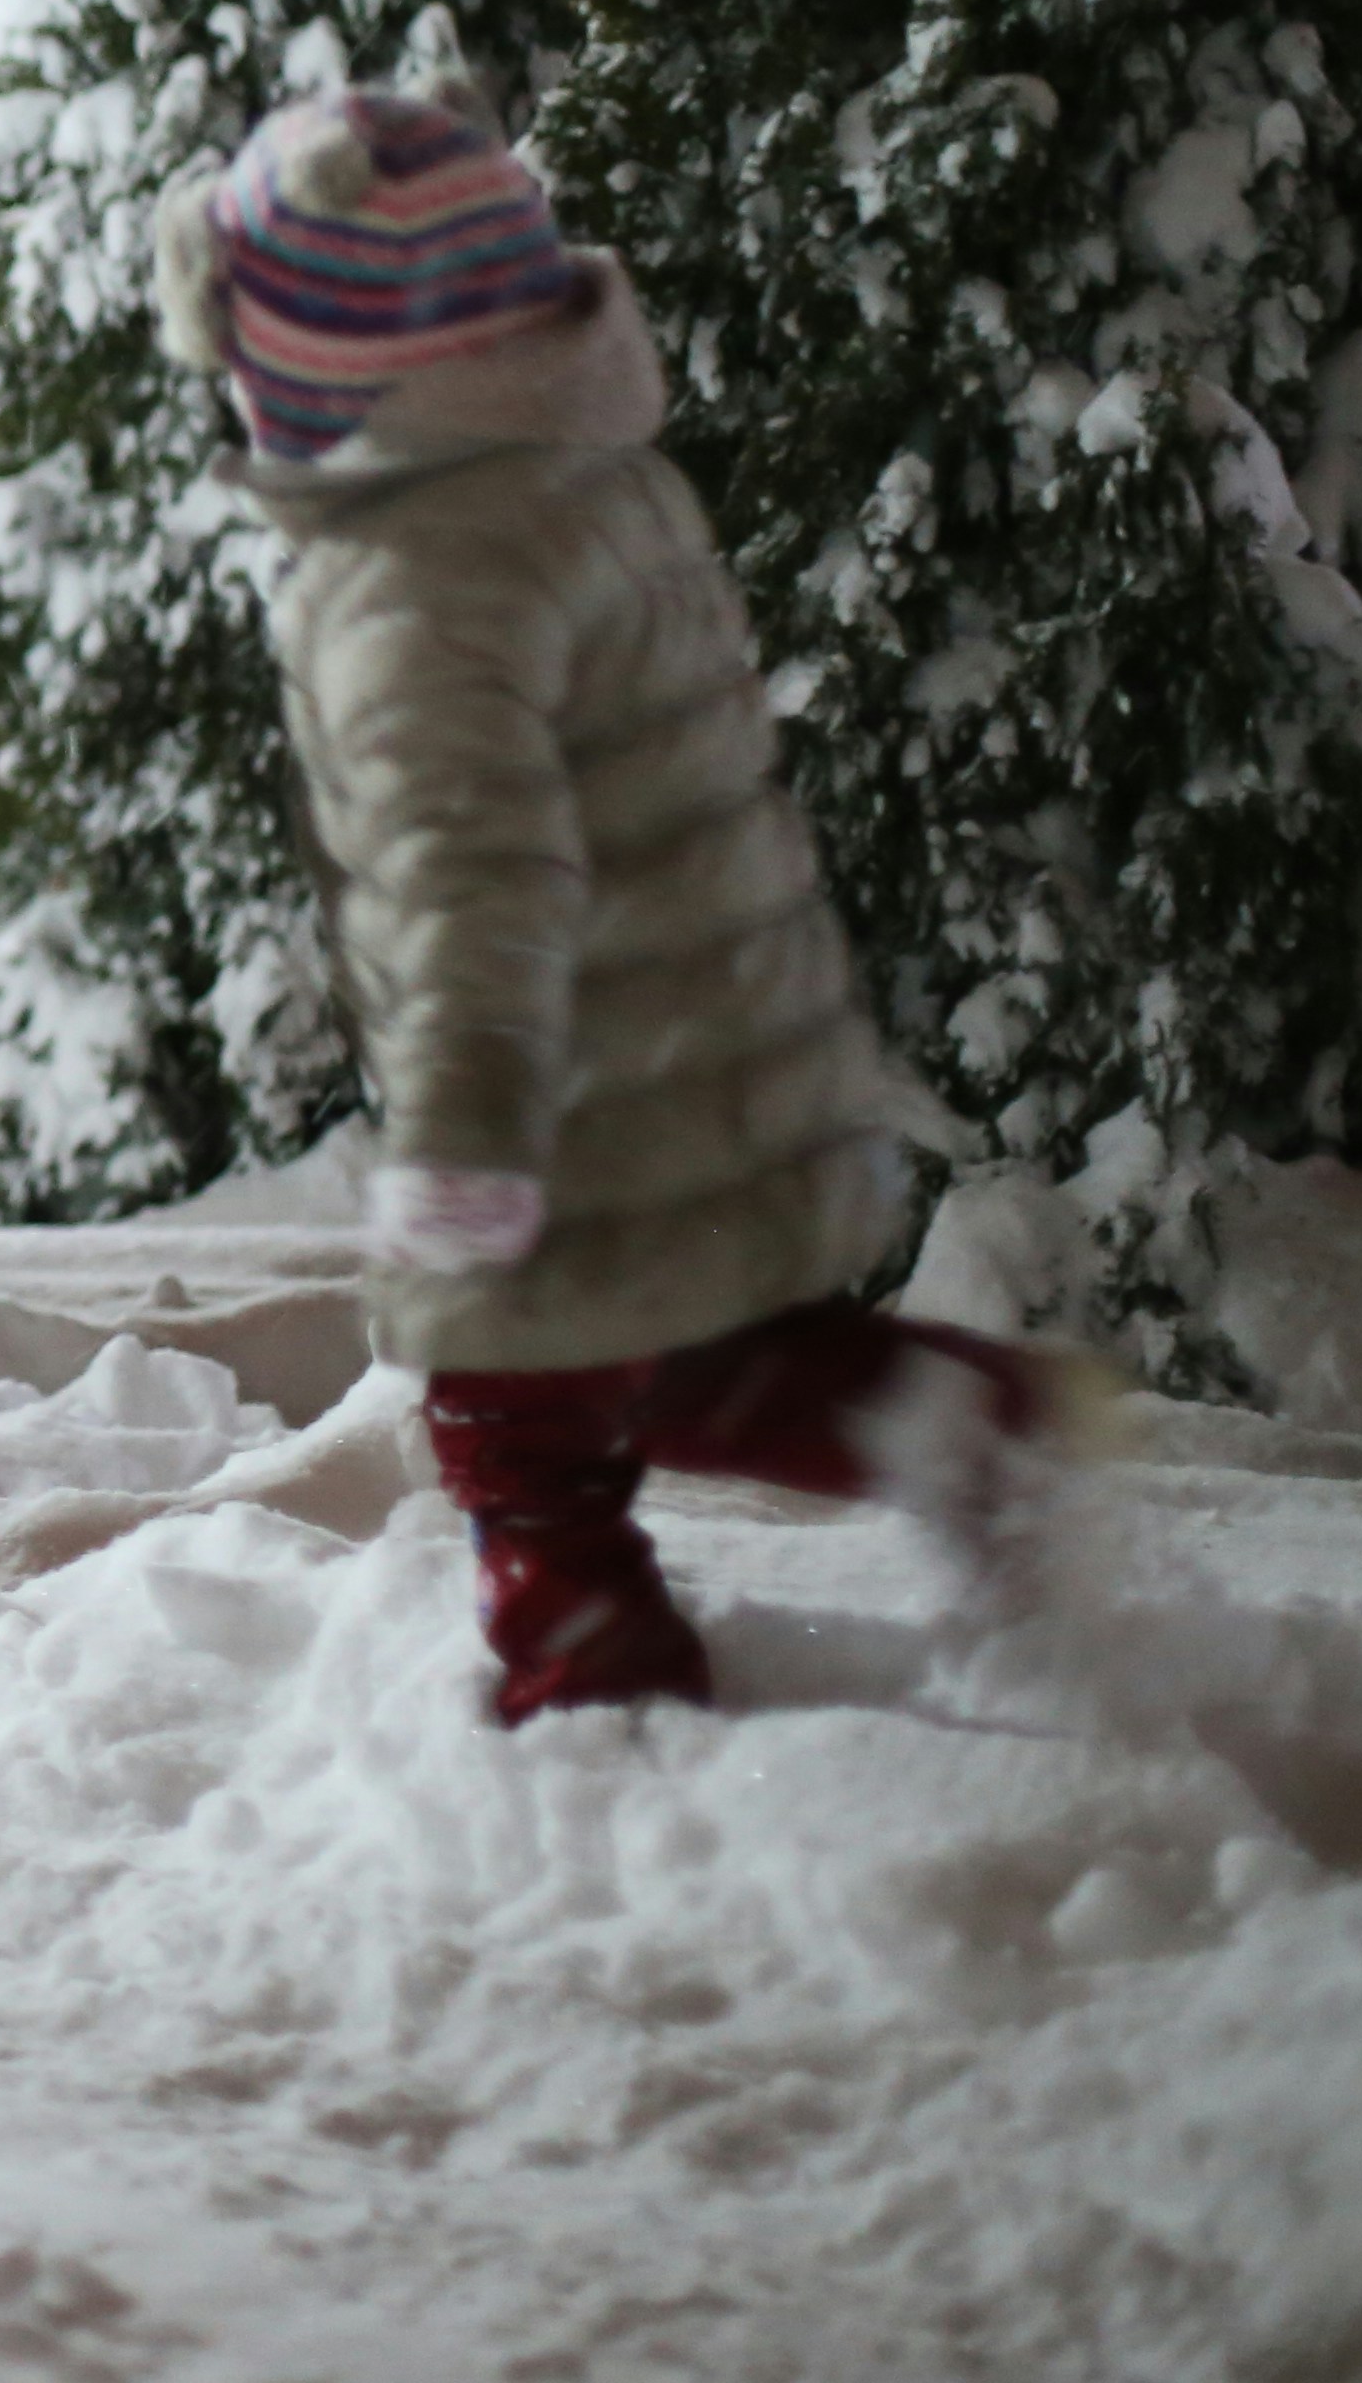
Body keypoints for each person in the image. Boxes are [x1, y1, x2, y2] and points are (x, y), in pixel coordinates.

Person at [155, 88, 1103, 1724]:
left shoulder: (418, 582)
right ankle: (947, 1422)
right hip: (716, 1035)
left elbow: (473, 885)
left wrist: (459, 1138)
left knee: (516, 1407)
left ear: (334, 372)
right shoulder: (588, 478)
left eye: (251, 352)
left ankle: (593, 1681)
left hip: (584, 1087)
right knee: (697, 1363)